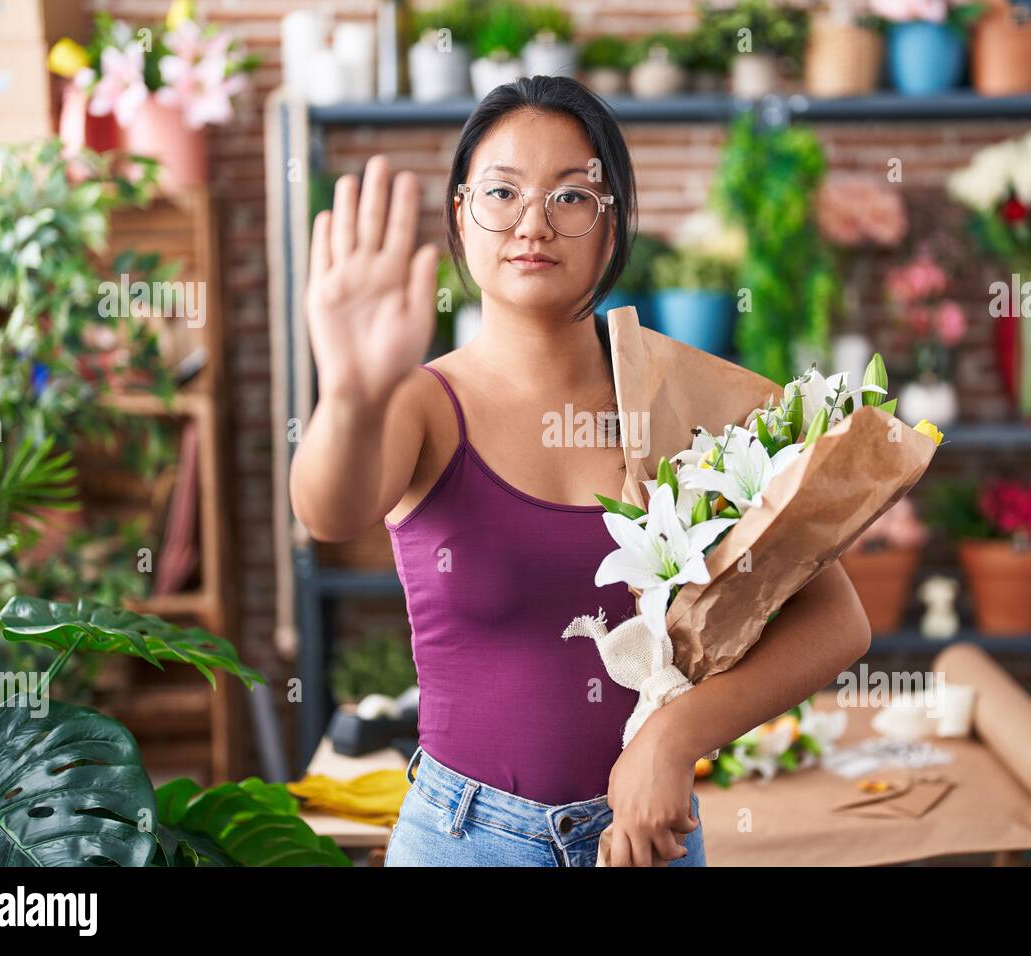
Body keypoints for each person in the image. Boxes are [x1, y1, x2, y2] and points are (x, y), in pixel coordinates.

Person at [289, 76, 871, 867]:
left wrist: (674, 737)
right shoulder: (419, 403)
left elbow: (837, 621)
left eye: (571, 197)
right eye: (501, 192)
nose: (532, 223)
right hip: (464, 840)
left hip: (644, 837)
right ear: (462, 215)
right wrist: (352, 392)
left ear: (612, 225)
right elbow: (328, 511)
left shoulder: (677, 398)